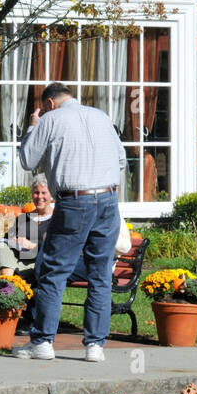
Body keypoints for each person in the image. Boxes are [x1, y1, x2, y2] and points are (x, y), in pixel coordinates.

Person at [14, 82, 125, 363]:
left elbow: (27, 160)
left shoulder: (50, 119)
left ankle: (42, 342)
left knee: (54, 269)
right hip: (109, 198)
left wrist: (32, 127)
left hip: (75, 200)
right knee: (100, 273)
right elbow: (122, 161)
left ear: (49, 103)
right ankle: (95, 346)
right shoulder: (100, 116)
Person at [0, 177, 54, 281]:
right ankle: (8, 284)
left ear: (51, 195)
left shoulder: (57, 219)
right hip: (14, 261)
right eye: (36, 192)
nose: (40, 196)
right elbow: (7, 239)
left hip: (39, 263)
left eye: (44, 193)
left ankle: (6, 285)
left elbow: (58, 249)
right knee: (2, 245)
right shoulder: (23, 218)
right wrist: (14, 240)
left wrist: (32, 245)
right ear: (32, 195)